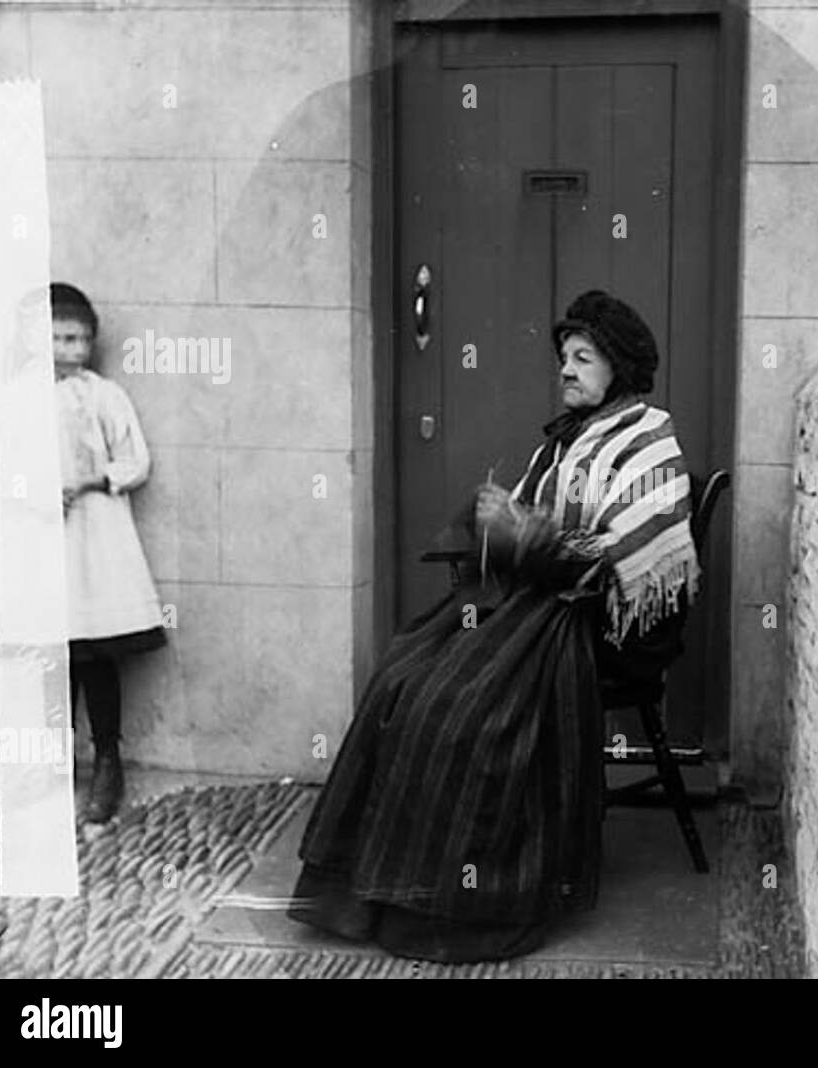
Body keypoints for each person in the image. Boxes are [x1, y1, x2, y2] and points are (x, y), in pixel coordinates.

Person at [288, 289, 701, 962]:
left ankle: (458, 911)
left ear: (618, 367)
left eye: (583, 358)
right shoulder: (569, 439)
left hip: (593, 627)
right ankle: (367, 890)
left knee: (464, 710)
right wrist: (504, 517)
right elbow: (546, 530)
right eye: (564, 358)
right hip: (540, 606)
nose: (566, 370)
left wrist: (526, 534)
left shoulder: (648, 439)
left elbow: (618, 564)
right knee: (402, 676)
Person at [0, 283, 167, 824]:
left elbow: (136, 459)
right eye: (58, 337)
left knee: (95, 652)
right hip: (36, 537)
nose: (69, 348)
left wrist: (96, 478)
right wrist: (33, 489)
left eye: (79, 338)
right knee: (46, 655)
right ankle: (52, 764)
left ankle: (108, 760)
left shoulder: (104, 396)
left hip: (93, 539)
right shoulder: (10, 399)